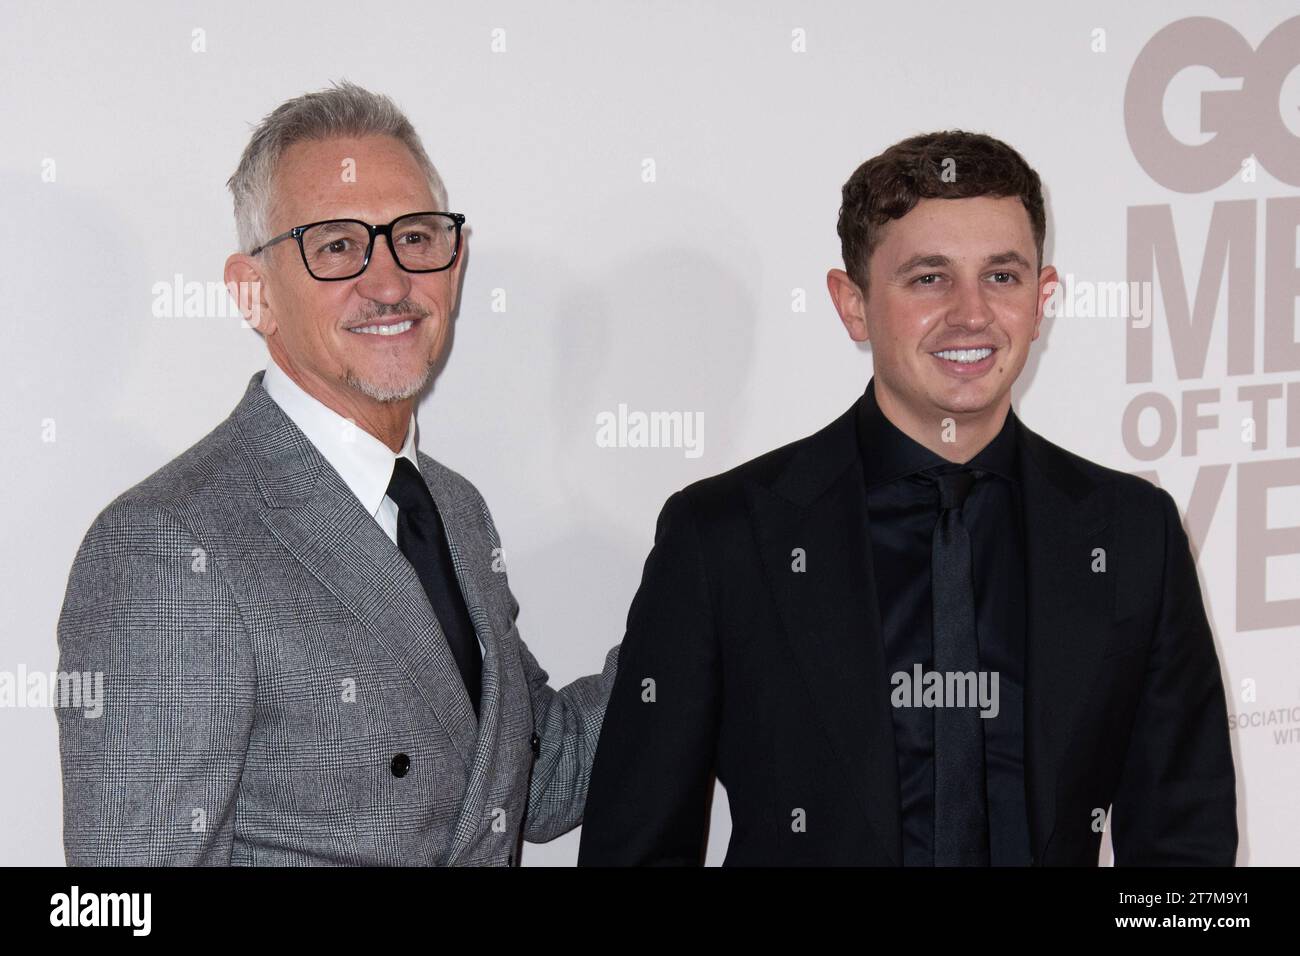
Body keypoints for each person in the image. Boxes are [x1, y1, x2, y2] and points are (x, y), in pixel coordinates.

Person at [578, 130, 1237, 866]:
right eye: (928, 278)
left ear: (1044, 298)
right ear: (852, 305)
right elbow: (634, 847)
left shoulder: (1132, 532)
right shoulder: (725, 536)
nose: (971, 315)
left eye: (1002, 276)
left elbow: (1188, 845)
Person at [56, 81, 617, 866]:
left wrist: (714, 602)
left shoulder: (454, 508)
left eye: (415, 238)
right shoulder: (167, 546)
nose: (389, 283)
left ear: (454, 266)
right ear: (254, 293)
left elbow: (541, 776)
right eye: (337, 245)